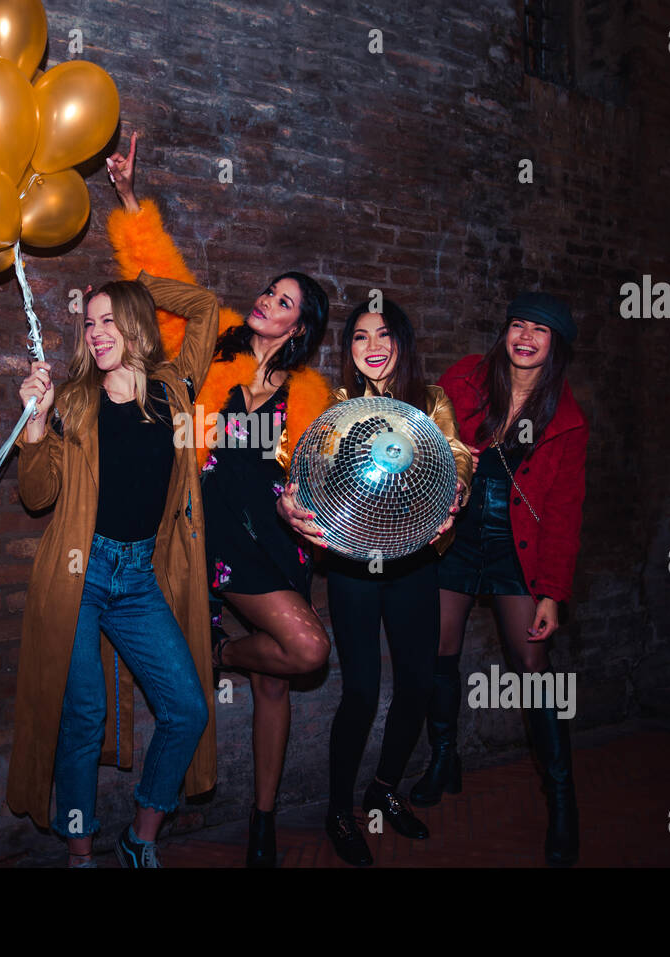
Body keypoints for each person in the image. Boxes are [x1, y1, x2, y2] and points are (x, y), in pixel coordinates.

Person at [105, 132, 335, 867]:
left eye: (285, 301)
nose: (268, 300)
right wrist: (129, 198)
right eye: (270, 291)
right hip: (211, 536)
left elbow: (319, 476)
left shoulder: (308, 393)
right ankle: (220, 651)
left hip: (277, 540)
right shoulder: (220, 347)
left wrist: (317, 517)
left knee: (279, 684)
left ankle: (263, 819)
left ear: (299, 328)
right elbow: (159, 279)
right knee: (307, 647)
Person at [5, 270, 222, 868]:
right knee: (84, 718)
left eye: (109, 320)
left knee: (187, 709)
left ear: (134, 324)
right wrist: (36, 422)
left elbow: (204, 307)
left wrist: (139, 285)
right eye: (90, 323)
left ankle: (141, 837)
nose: (96, 334)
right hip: (80, 574)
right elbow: (37, 495)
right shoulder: (74, 398)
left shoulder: (174, 390)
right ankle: (80, 854)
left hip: (138, 579)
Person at [275, 299, 474, 866]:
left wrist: (455, 490)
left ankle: (384, 788)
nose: (372, 345)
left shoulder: (429, 401)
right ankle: (339, 810)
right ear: (350, 351)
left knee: (416, 684)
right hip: (353, 566)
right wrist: (290, 504)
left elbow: (456, 454)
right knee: (361, 692)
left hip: (414, 563)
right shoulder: (332, 408)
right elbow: (299, 467)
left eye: (383, 334)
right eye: (360, 337)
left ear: (401, 342)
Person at [413, 292, 588, 866]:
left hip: (518, 552)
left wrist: (553, 595)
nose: (525, 337)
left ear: (555, 344)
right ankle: (444, 756)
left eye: (540, 329)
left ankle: (561, 799)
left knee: (533, 670)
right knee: (439, 651)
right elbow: (425, 447)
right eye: (518, 324)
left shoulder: (565, 417)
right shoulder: (465, 379)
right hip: (456, 541)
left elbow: (564, 511)